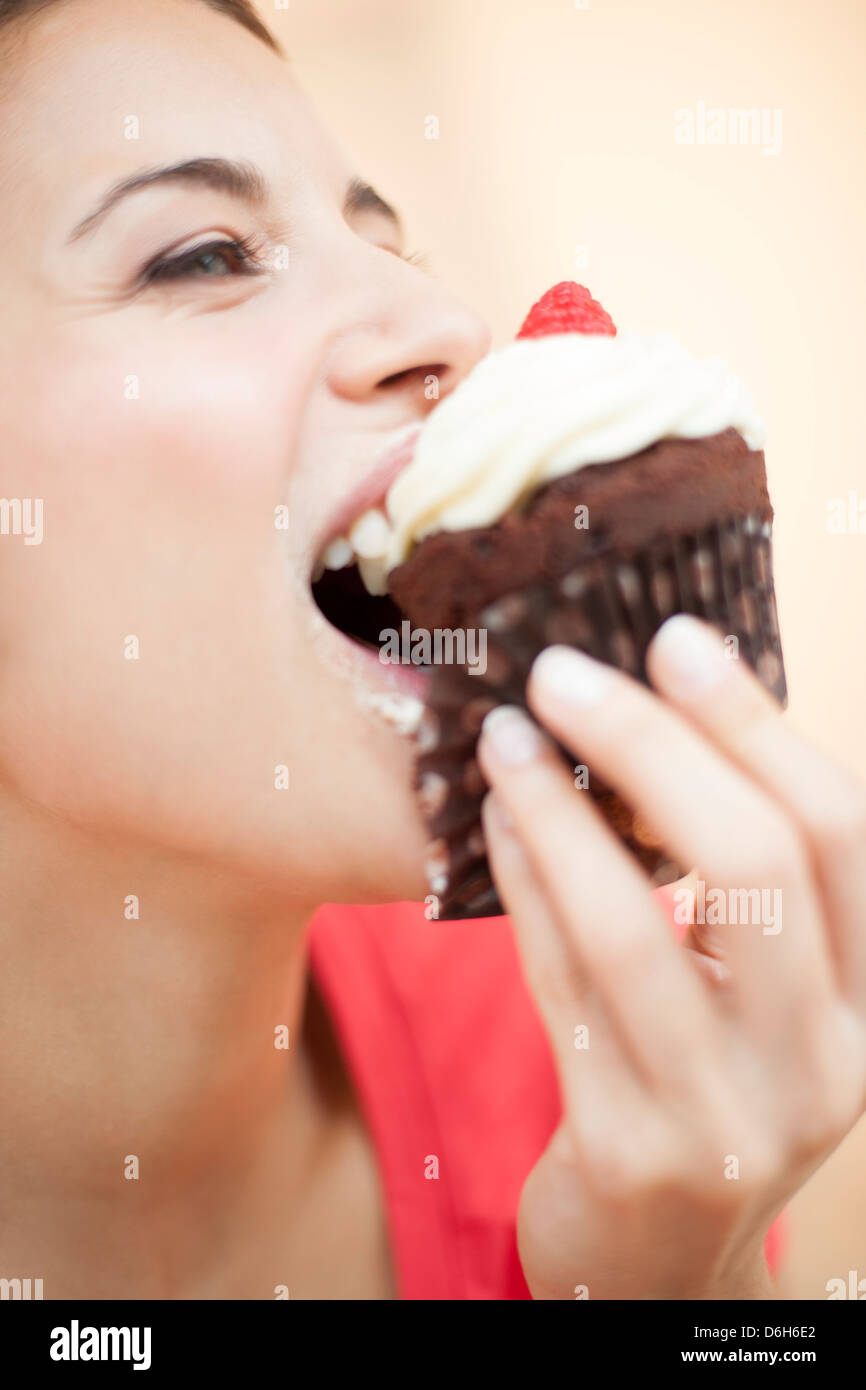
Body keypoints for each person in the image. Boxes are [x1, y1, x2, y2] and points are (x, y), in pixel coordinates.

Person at [0, 0, 864, 1301]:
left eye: (381, 234)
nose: (448, 319)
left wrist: (689, 1292)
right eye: (203, 255)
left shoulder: (585, 1061)